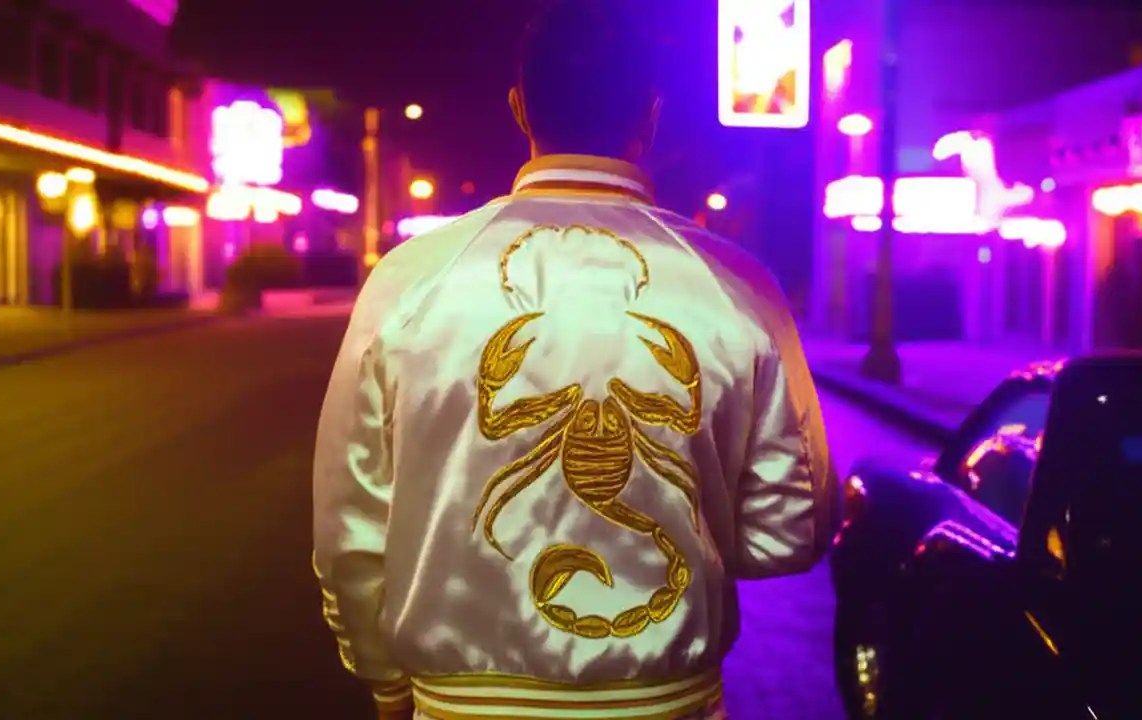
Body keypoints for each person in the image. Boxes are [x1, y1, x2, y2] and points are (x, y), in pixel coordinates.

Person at [311, 1, 838, 718]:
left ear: (519, 109)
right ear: (651, 119)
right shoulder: (738, 285)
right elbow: (791, 532)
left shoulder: (410, 279)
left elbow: (353, 518)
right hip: (668, 700)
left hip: (458, 704)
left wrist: (382, 675)